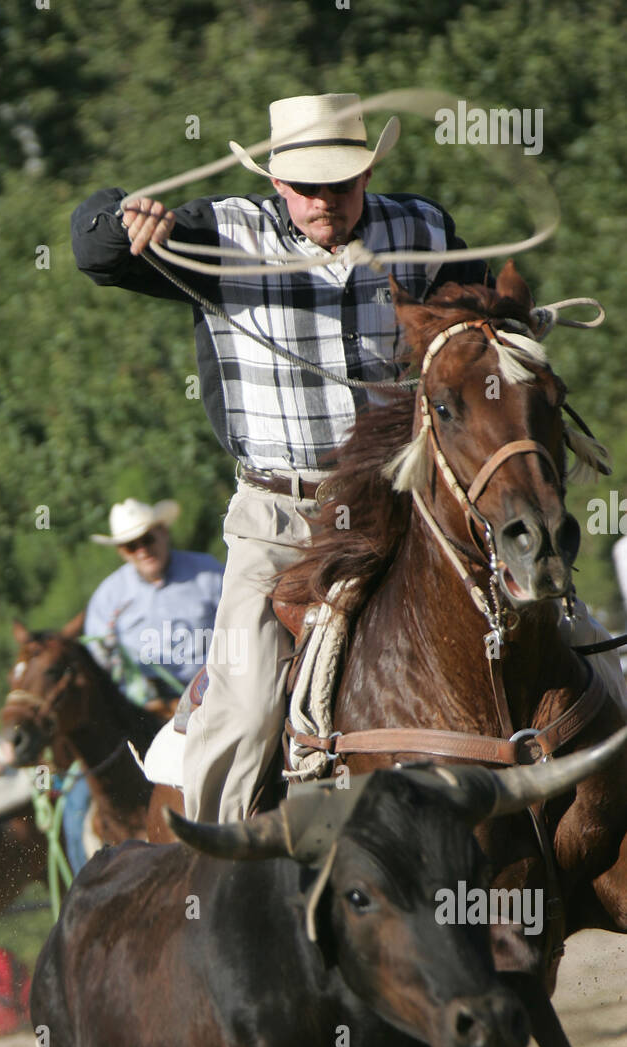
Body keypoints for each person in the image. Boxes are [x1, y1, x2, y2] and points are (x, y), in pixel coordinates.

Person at [71, 93, 490, 823]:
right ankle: (213, 875)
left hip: (402, 500)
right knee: (245, 701)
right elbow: (96, 254)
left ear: (367, 174)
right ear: (276, 182)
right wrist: (120, 216)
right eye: (308, 187)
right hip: (279, 517)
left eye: (342, 184)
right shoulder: (220, 234)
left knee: (523, 614)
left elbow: (475, 313)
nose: (325, 201)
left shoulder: (423, 227)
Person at [61, 497, 223, 871]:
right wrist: (139, 692)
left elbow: (239, 631)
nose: (143, 550)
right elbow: (103, 661)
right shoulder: (108, 598)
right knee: (80, 797)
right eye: (132, 545)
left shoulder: (209, 575)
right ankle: (84, 880)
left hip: (208, 697)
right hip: (135, 712)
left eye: (148, 539)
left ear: (163, 533)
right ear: (121, 551)